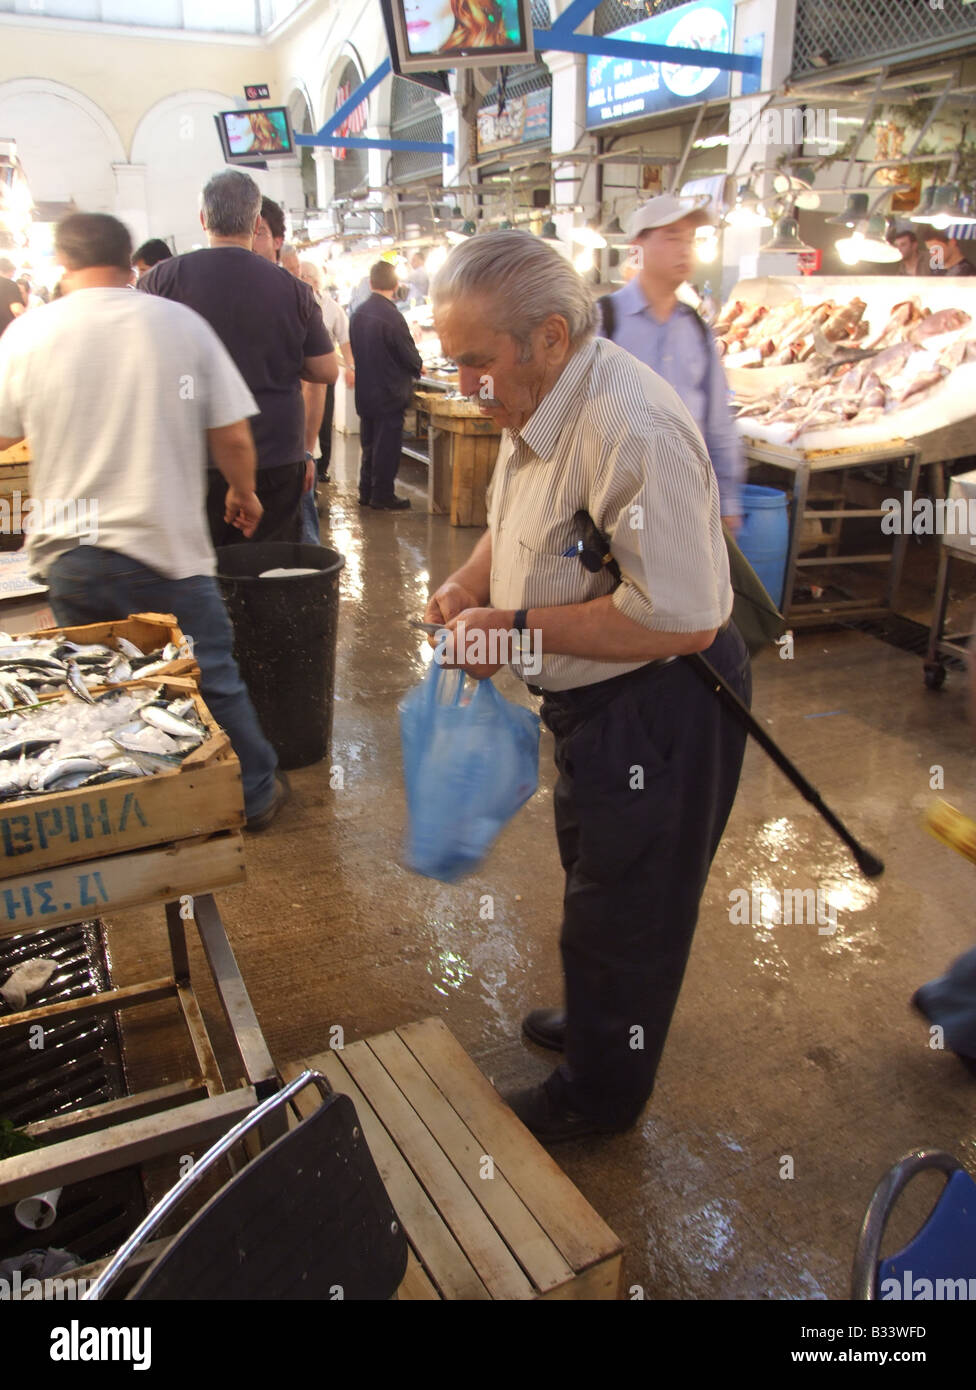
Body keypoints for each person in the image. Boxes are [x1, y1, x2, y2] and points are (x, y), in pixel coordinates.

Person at [424, 231, 751, 1142]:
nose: (464, 385)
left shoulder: (628, 427)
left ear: (552, 338)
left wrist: (517, 628)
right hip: (593, 702)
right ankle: (605, 1019)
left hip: (663, 701)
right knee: (598, 880)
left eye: (476, 362)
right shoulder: (535, 405)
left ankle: (599, 1095)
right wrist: (470, 585)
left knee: (630, 908)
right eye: (453, 362)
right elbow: (521, 520)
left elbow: (683, 617)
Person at [0, 212, 287, 829]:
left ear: (62, 264)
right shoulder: (176, 324)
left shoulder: (28, 336)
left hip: (73, 555)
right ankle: (254, 794)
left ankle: (149, 811)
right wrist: (244, 492)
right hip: (166, 549)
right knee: (209, 678)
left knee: (110, 689)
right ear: (131, 262)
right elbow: (231, 434)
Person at [141, 170, 337, 546]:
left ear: (203, 219)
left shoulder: (160, 281)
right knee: (270, 568)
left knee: (198, 566)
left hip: (190, 456)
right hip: (275, 455)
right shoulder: (293, 290)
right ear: (255, 220)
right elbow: (326, 369)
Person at [597, 195, 744, 530]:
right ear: (639, 247)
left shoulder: (695, 327)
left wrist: (728, 502)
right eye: (672, 236)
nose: (684, 249)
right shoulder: (603, 321)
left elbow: (718, 421)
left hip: (686, 503)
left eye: (690, 239)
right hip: (616, 504)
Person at [348, 260, 422, 510]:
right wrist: (417, 366)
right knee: (386, 447)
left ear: (371, 284)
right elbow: (409, 355)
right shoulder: (393, 316)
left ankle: (366, 491)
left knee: (369, 445)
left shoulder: (357, 313)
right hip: (389, 393)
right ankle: (382, 496)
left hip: (366, 392)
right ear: (395, 285)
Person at [300, 260, 355, 483]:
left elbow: (345, 340)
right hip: (300, 373)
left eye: (303, 275)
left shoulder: (332, 308)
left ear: (314, 281)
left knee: (324, 419)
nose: (298, 277)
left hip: (323, 371)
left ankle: (321, 468)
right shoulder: (293, 300)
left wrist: (350, 366)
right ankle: (306, 459)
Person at [253, 196, 286, 265]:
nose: (250, 241)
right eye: (245, 235)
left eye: (258, 234)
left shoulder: (284, 276)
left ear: (277, 242)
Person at [0, 258, 22, 335]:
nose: (13, 275)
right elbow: (17, 310)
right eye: (13, 272)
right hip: (5, 333)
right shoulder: (10, 284)